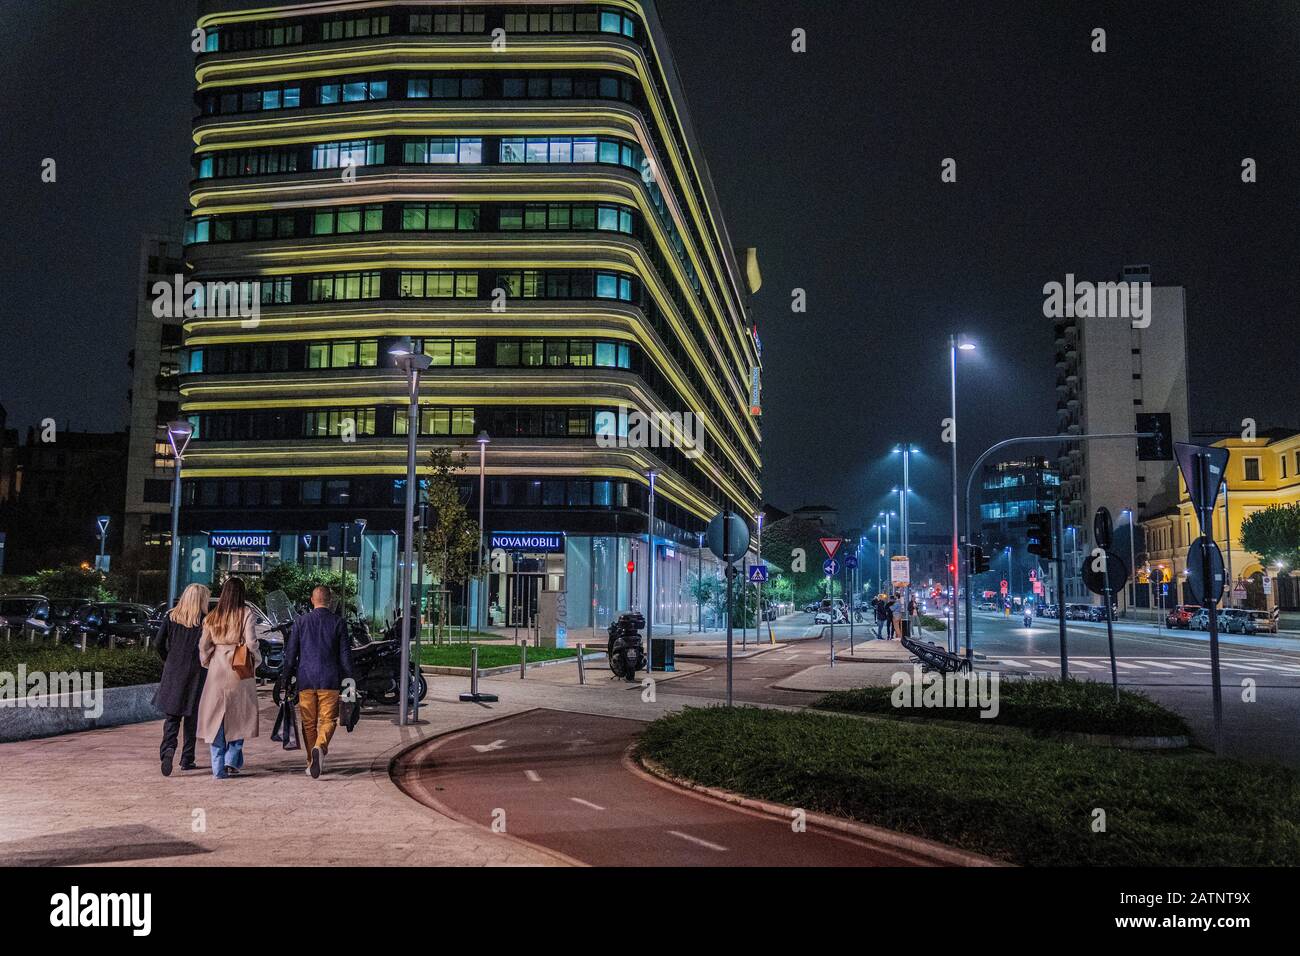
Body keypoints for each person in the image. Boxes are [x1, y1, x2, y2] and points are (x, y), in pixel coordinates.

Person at [281, 585, 354, 779]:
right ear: (330, 601)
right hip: (330, 680)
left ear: (312, 600)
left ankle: (311, 761)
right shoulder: (339, 623)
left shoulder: (300, 622)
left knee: (308, 723)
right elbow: (345, 656)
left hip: (305, 679)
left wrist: (285, 678)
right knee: (328, 720)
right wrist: (351, 681)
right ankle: (320, 747)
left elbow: (291, 655)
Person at [198, 577, 261, 779]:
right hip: (238, 667)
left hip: (217, 667)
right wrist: (255, 661)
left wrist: (208, 661)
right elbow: (251, 643)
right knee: (240, 715)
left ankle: (218, 767)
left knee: (215, 717)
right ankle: (231, 759)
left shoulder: (212, 616)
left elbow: (203, 646)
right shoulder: (246, 613)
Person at [153, 583, 211, 776]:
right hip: (197, 671)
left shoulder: (171, 616)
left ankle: (168, 750)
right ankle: (187, 758)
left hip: (173, 670)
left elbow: (158, 644)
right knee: (191, 717)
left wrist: (168, 659)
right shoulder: (205, 620)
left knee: (172, 716)